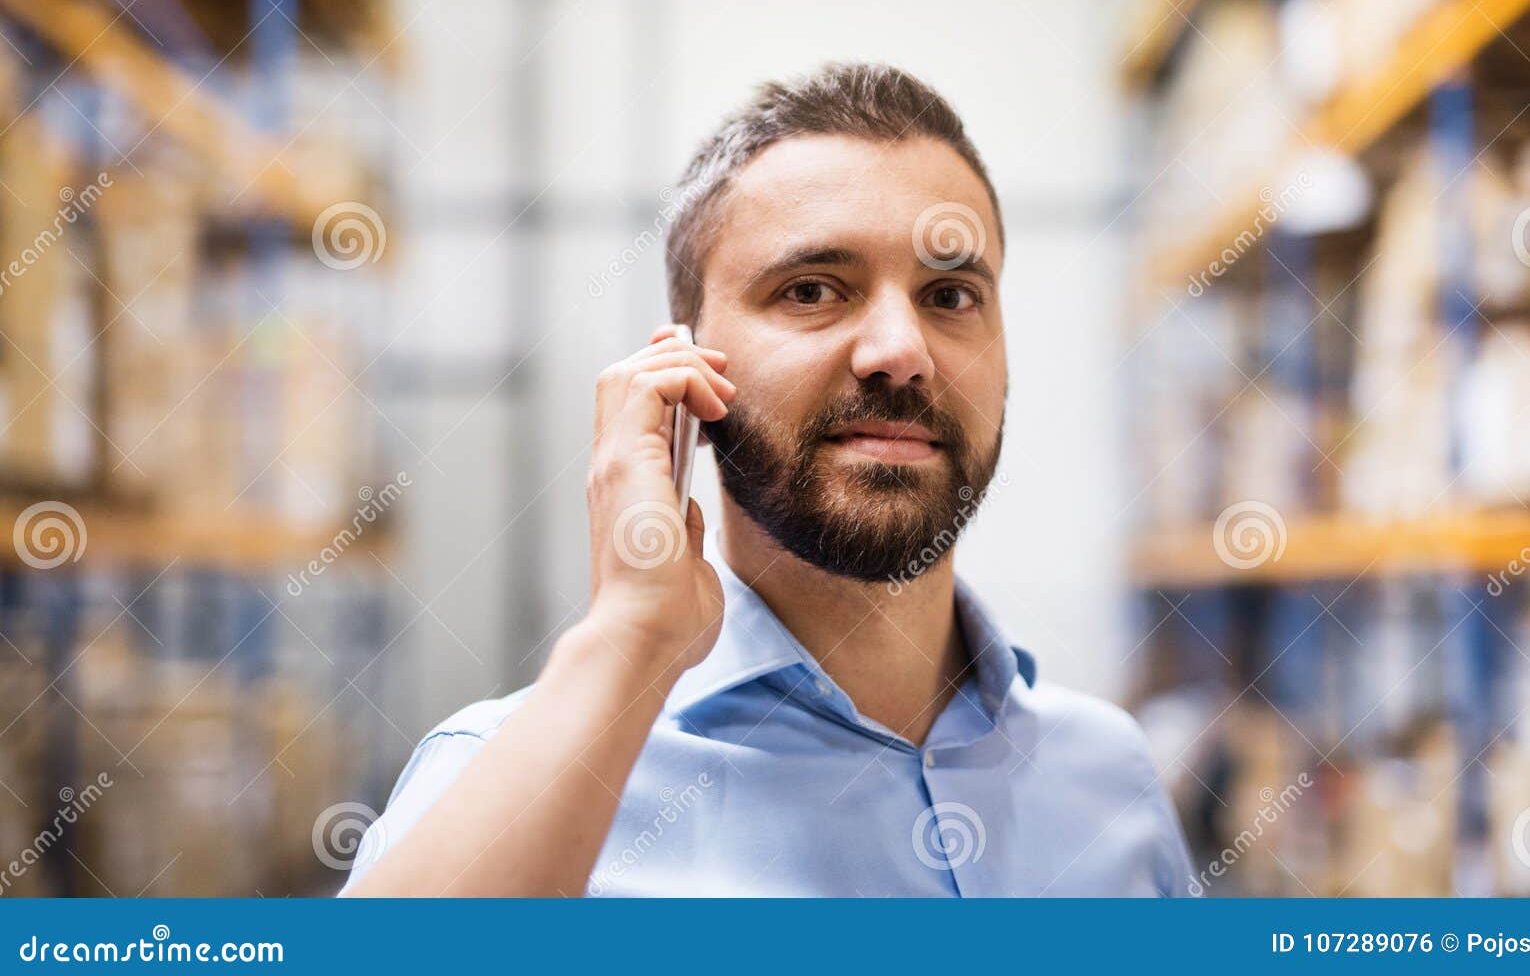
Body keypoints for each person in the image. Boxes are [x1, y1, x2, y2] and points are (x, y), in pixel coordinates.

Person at [341, 62, 1194, 897]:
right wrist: (632, 637)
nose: (901, 351)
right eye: (814, 288)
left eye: (950, 296)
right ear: (679, 370)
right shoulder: (508, 788)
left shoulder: (1113, 782)